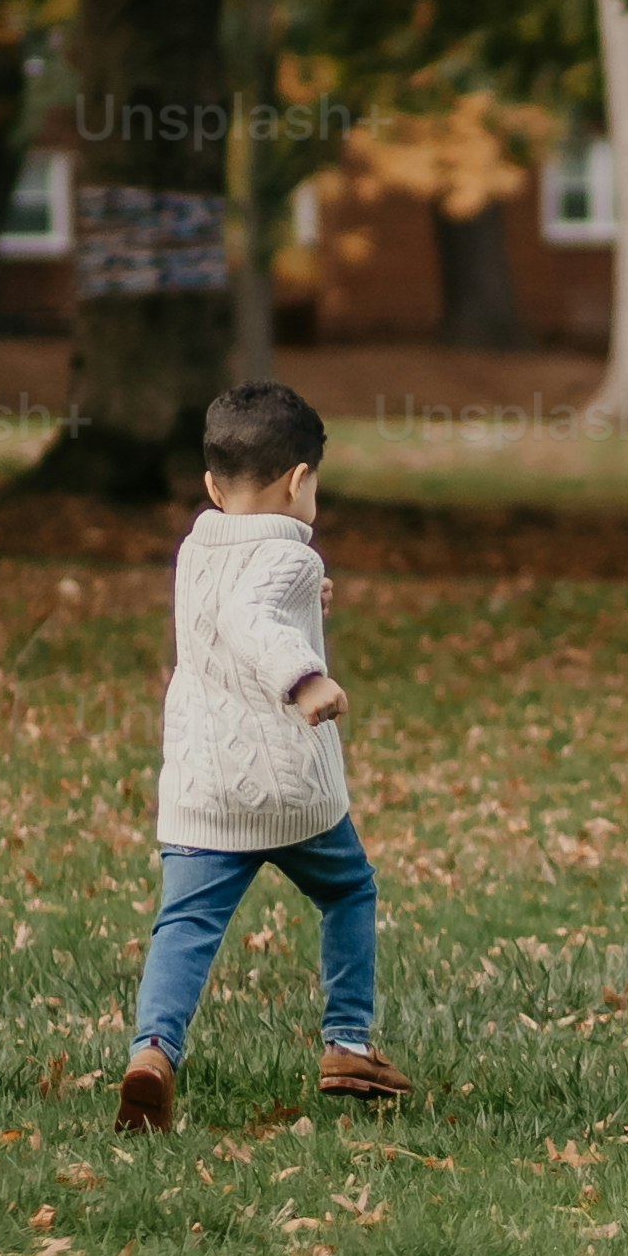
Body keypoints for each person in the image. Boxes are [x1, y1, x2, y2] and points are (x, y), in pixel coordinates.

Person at [121, 380, 406, 1129]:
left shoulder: (196, 548)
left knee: (182, 926)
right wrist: (304, 676)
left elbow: (230, 608)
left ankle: (152, 1053)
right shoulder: (293, 555)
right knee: (348, 892)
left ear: (213, 484)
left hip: (201, 784)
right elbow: (252, 619)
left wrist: (307, 605)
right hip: (286, 784)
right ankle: (347, 1042)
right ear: (300, 481)